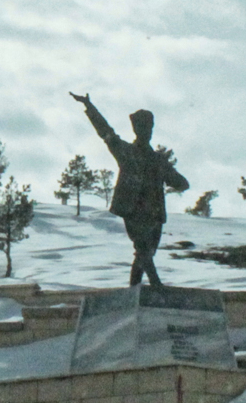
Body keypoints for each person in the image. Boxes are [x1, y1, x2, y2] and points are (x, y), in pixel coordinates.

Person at [70, 92, 189, 287]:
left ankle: (134, 289)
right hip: (134, 210)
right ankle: (156, 285)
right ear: (136, 129)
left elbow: (179, 181)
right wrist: (89, 108)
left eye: (149, 127)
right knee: (143, 250)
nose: (147, 131)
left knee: (146, 254)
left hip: (155, 214)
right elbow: (105, 132)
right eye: (143, 127)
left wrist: (179, 181)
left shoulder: (158, 160)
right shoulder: (126, 152)